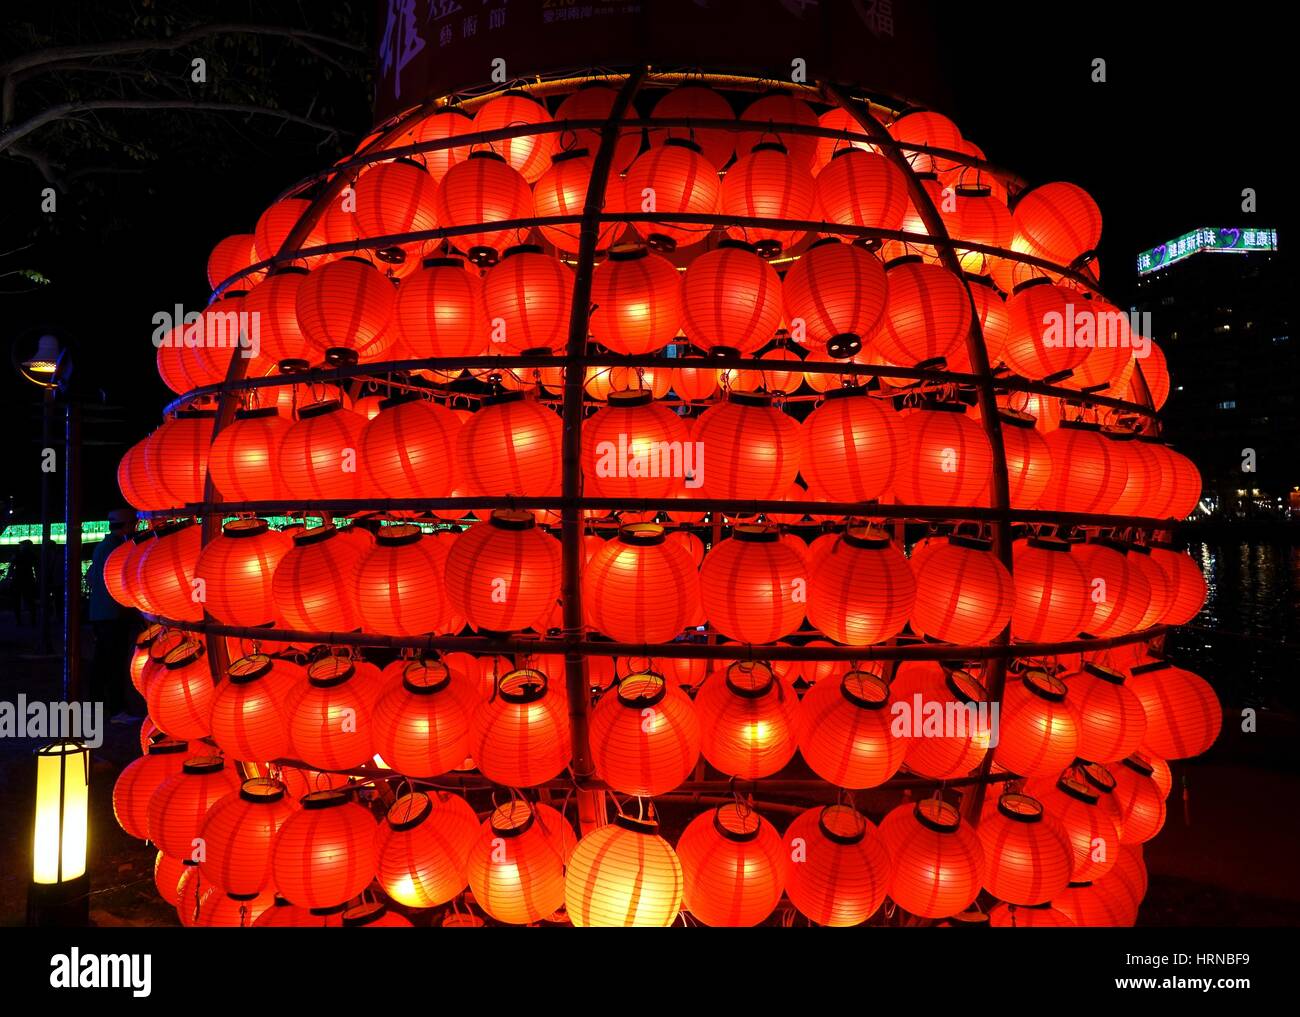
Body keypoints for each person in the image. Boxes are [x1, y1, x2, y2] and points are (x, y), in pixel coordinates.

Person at [87, 509, 141, 723]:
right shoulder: (117, 548)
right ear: (127, 526)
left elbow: (92, 578)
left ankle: (97, 706)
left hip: (101, 613)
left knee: (102, 662)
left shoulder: (103, 547)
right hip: (113, 613)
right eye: (133, 524)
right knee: (114, 663)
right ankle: (116, 709)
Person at [10, 539, 38, 626]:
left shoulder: (17, 554)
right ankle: (33, 620)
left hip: (18, 580)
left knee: (17, 601)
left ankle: (18, 621)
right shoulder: (33, 555)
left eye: (22, 545)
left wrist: (8, 577)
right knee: (30, 600)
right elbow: (36, 567)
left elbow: (11, 566)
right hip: (28, 579)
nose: (20, 546)